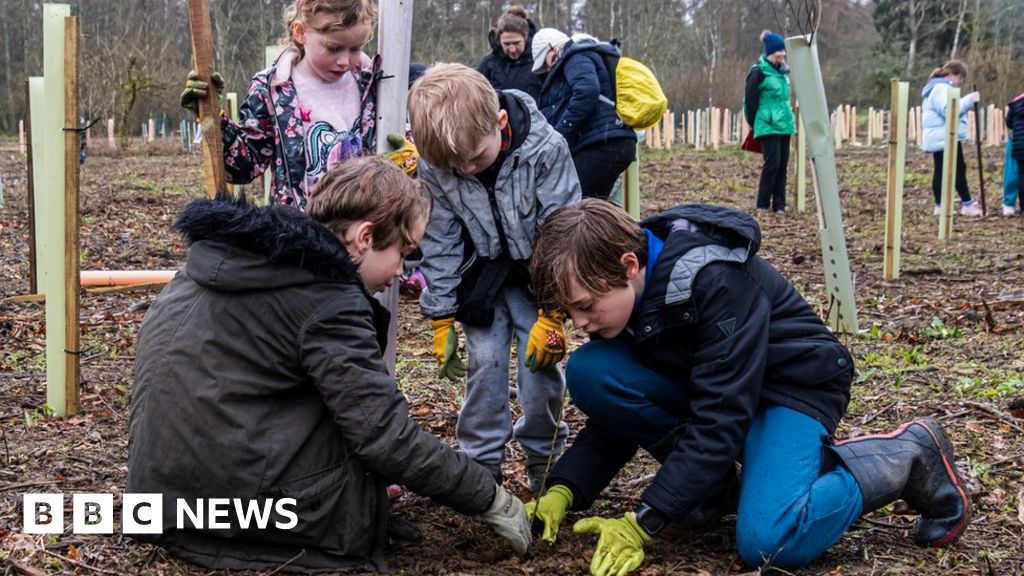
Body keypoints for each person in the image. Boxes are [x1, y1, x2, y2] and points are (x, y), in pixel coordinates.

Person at [126, 156, 532, 572]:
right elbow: (385, 437)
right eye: (404, 251)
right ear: (364, 236)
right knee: (359, 423)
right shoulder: (325, 300)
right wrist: (490, 498)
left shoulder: (235, 260)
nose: (401, 271)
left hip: (162, 498)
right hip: (238, 515)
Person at [525, 199, 972, 575]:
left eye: (583, 307)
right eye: (569, 314)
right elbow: (619, 418)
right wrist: (564, 489)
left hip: (791, 389)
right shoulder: (628, 297)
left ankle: (906, 454)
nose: (579, 323)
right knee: (592, 370)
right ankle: (709, 493)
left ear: (628, 265)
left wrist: (645, 521)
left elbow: (719, 418)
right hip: (718, 390)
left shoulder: (714, 281)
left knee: (770, 541)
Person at [407, 63, 581, 495]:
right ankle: (481, 466)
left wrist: (555, 310)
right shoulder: (438, 165)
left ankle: (545, 458)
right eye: (452, 166)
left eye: (474, 158)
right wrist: (442, 315)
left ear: (500, 122)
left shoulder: (545, 149)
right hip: (480, 275)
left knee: (539, 369)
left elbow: (563, 228)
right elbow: (441, 238)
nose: (464, 171)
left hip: (536, 275)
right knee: (484, 364)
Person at [180, 0, 408, 210]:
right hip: (301, 238)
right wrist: (212, 118)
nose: (345, 61)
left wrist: (410, 157)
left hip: (366, 235)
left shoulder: (376, 85)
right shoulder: (272, 89)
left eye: (356, 48)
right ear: (301, 33)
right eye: (334, 48)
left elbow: (400, 144)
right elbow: (244, 165)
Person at [532, 28, 637, 200]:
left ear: (553, 48)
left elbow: (586, 91)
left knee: (576, 207)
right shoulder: (586, 56)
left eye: (547, 62)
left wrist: (559, 135)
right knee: (593, 208)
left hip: (601, 145)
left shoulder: (575, 55)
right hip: (613, 141)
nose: (549, 69)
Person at [920, 60, 983, 216]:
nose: (960, 84)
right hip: (946, 136)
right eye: (961, 79)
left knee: (942, 170)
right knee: (957, 169)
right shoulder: (941, 88)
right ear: (955, 75)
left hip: (941, 136)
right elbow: (950, 110)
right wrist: (969, 101)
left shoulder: (936, 87)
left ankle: (941, 206)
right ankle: (966, 205)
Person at [743, 30, 795, 214]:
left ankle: (780, 205)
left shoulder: (783, 72)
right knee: (772, 164)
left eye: (783, 50)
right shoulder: (758, 72)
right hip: (768, 124)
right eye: (778, 51)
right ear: (769, 53)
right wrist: (755, 122)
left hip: (785, 124)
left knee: (782, 165)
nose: (782, 54)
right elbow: (749, 102)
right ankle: (762, 204)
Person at [476, 5, 542, 101]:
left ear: (526, 37)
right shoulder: (489, 63)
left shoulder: (539, 59)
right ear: (499, 40)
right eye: (506, 44)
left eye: (516, 43)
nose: (512, 49)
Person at [1004, 91, 1024, 215]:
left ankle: (1022, 208)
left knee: (1021, 174)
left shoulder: (1017, 101)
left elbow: (1009, 122)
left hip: (1020, 145)